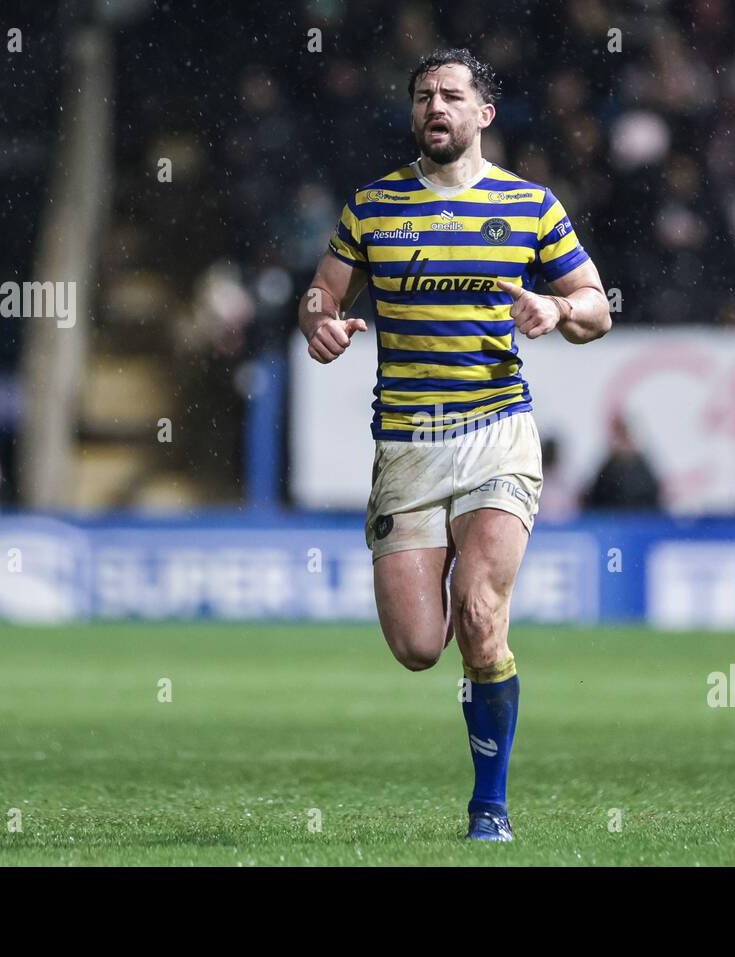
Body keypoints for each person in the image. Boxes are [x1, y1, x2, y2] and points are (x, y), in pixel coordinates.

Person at [296, 49, 611, 842]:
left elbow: (595, 305)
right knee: (415, 646)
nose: (435, 106)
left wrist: (553, 310)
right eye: (423, 96)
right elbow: (321, 294)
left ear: (484, 115)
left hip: (496, 433)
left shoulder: (531, 204)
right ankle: (481, 717)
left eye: (451, 95)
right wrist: (320, 324)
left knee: (479, 612)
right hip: (407, 445)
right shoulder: (372, 206)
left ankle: (490, 809)